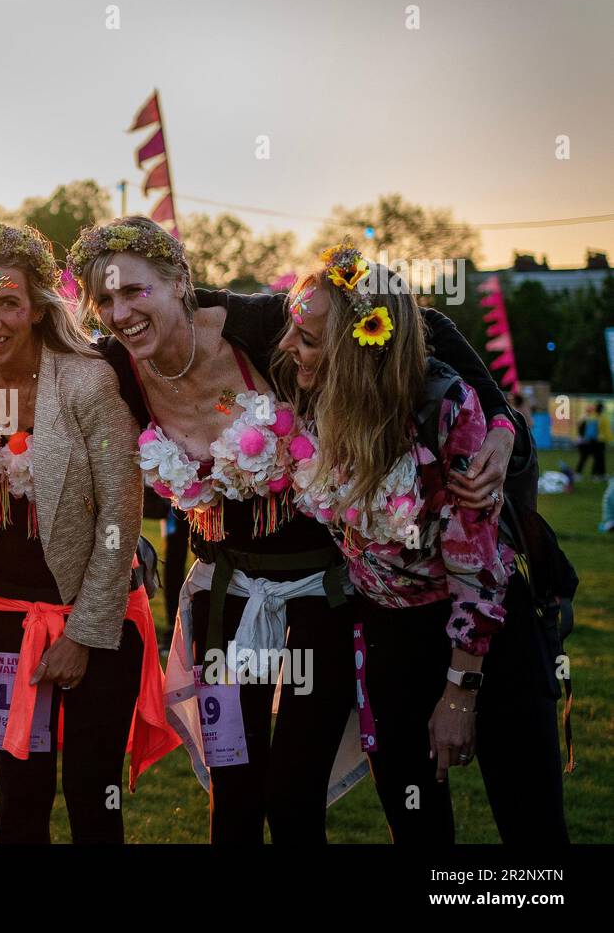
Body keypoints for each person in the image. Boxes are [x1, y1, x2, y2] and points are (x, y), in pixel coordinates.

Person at [68, 217, 518, 843]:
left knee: (293, 792)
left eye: (136, 291)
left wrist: (500, 418)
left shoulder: (259, 322)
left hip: (323, 597)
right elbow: (47, 386)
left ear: (179, 282)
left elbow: (409, 320)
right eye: (106, 299)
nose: (120, 312)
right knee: (233, 788)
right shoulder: (112, 368)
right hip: (219, 600)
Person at [0, 221, 178, 844]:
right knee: (19, 797)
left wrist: (84, 636)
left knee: (94, 801)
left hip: (101, 622)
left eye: (8, 302)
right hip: (7, 616)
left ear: (36, 307)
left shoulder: (86, 381)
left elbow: (121, 514)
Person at [275, 247, 520, 842]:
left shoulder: (443, 405)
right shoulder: (315, 399)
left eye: (306, 338)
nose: (287, 345)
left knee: (529, 818)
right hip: (386, 631)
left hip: (479, 633)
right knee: (414, 815)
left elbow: (477, 568)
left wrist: (459, 693)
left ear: (358, 344)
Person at [576, 402, 607, 480]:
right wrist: (586, 438)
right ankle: (584, 474)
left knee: (590, 458)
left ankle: (592, 474)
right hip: (586, 442)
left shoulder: (589, 417)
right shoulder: (587, 418)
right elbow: (581, 429)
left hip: (587, 441)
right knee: (587, 458)